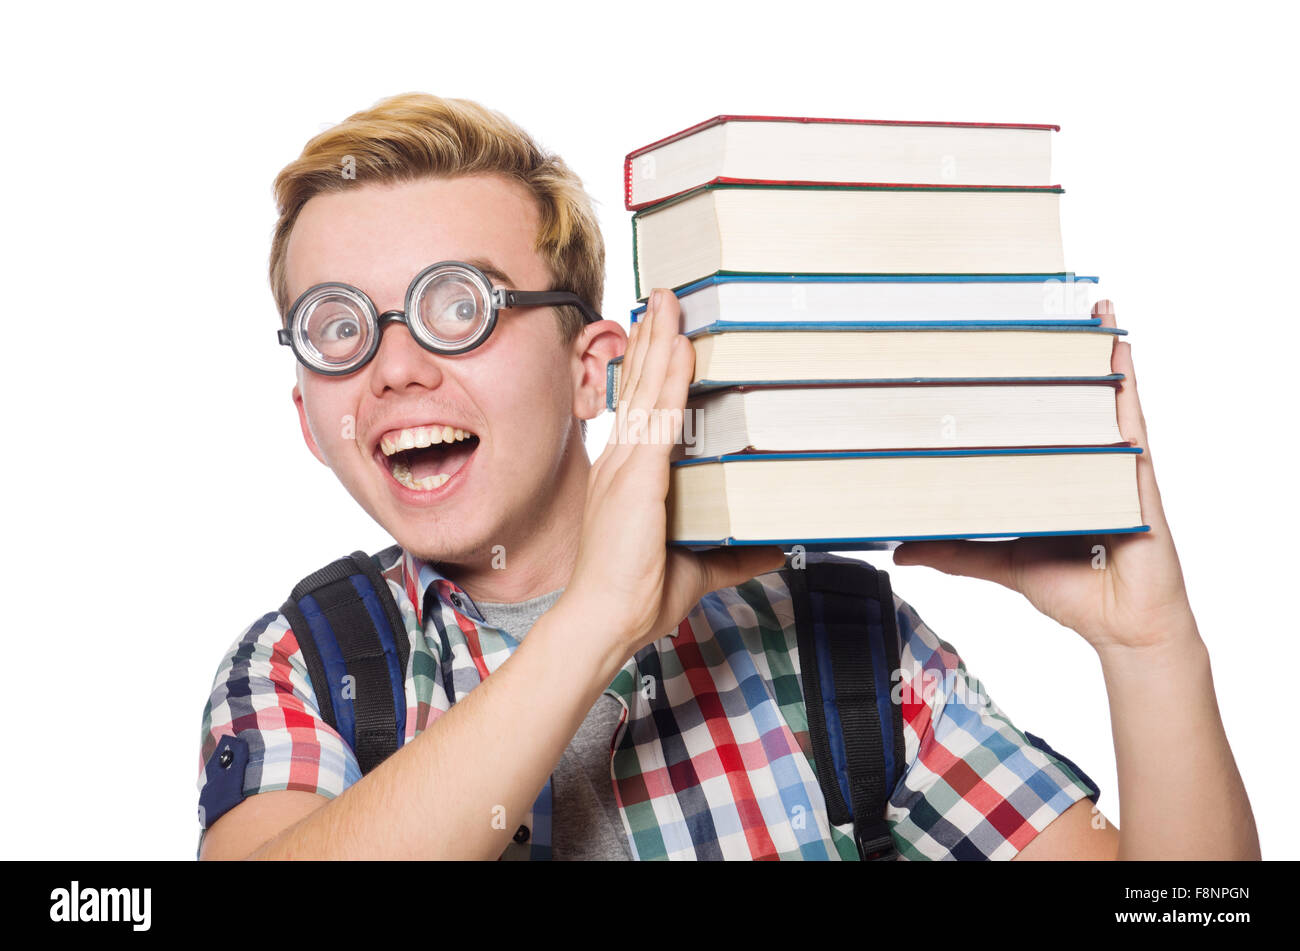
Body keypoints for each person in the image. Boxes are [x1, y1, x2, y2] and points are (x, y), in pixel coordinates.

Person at [195, 92, 1259, 860]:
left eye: (457, 307)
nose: (393, 370)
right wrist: (598, 622)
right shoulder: (304, 665)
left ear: (593, 370)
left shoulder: (835, 641)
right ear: (307, 418)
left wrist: (1150, 644)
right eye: (336, 329)